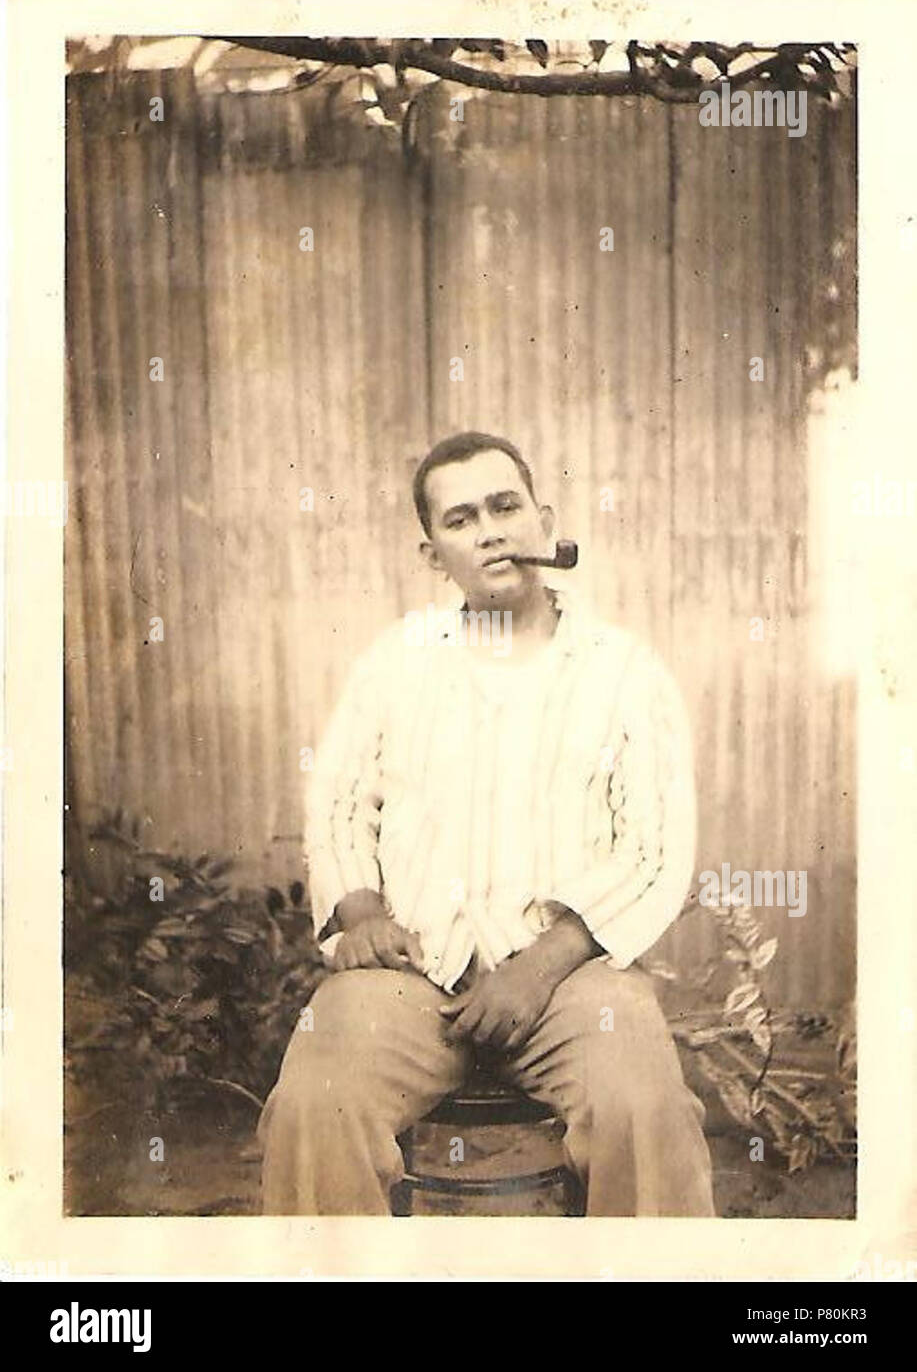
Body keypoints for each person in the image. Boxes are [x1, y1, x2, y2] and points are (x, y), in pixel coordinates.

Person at [257, 431, 715, 1216]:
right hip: (411, 975)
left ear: (544, 520)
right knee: (311, 1107)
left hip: (573, 977)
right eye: (462, 519)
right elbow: (336, 799)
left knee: (645, 1111)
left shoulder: (620, 670)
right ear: (435, 554)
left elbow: (655, 845)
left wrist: (537, 968)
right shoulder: (395, 661)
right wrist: (360, 910)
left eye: (505, 507)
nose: (491, 530)